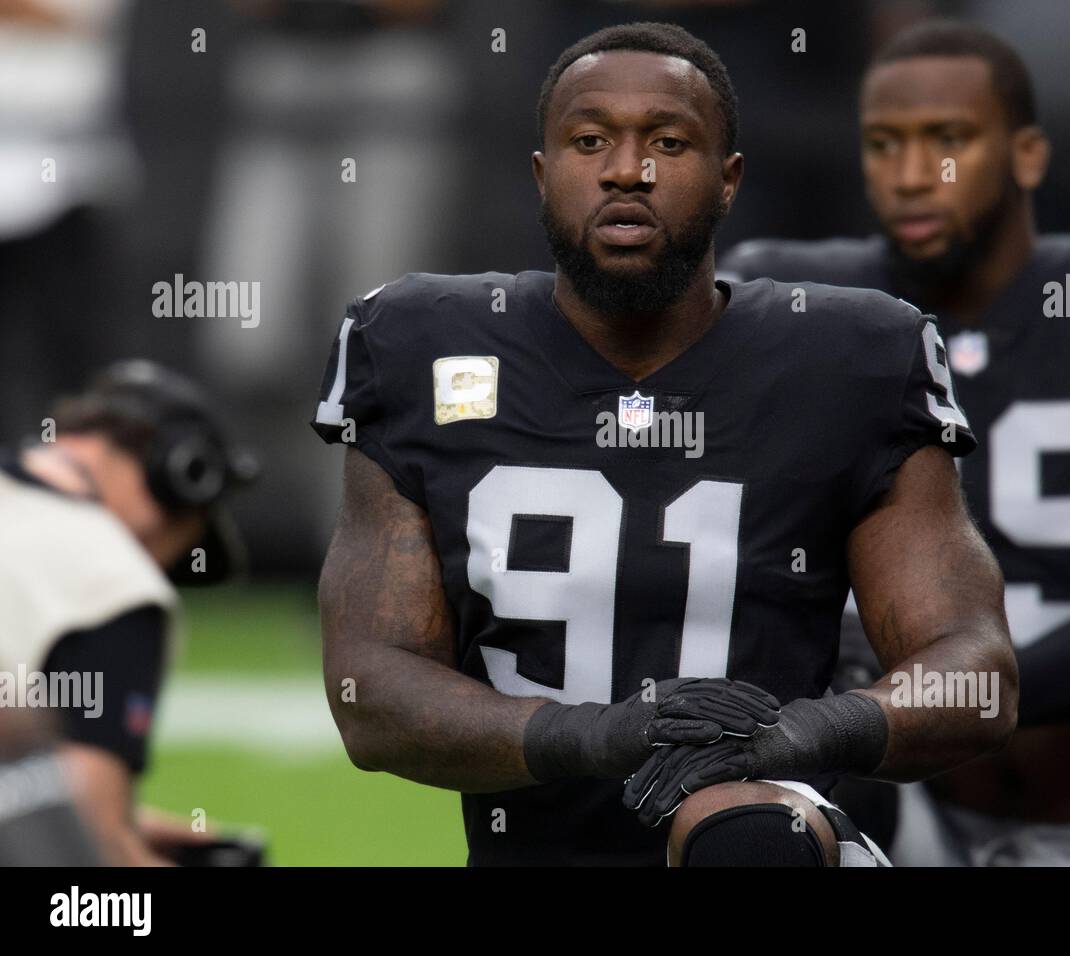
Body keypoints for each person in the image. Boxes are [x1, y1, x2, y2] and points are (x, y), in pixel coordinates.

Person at [312, 21, 1016, 867]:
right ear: (542, 175)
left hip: (777, 836)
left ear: (728, 183)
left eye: (668, 142)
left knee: (749, 841)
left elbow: (978, 674)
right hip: (540, 850)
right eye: (590, 140)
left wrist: (796, 734)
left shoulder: (852, 355)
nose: (626, 169)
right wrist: (604, 735)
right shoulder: (418, 343)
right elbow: (369, 691)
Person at [721, 20, 1070, 865]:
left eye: (948, 141)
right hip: (878, 809)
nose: (910, 176)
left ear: (1027, 155)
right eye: (883, 144)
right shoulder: (803, 306)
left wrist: (938, 703)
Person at [0, 359, 257, 864]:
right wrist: (120, 835)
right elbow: (91, 853)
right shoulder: (112, 581)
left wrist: (123, 824)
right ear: (182, 479)